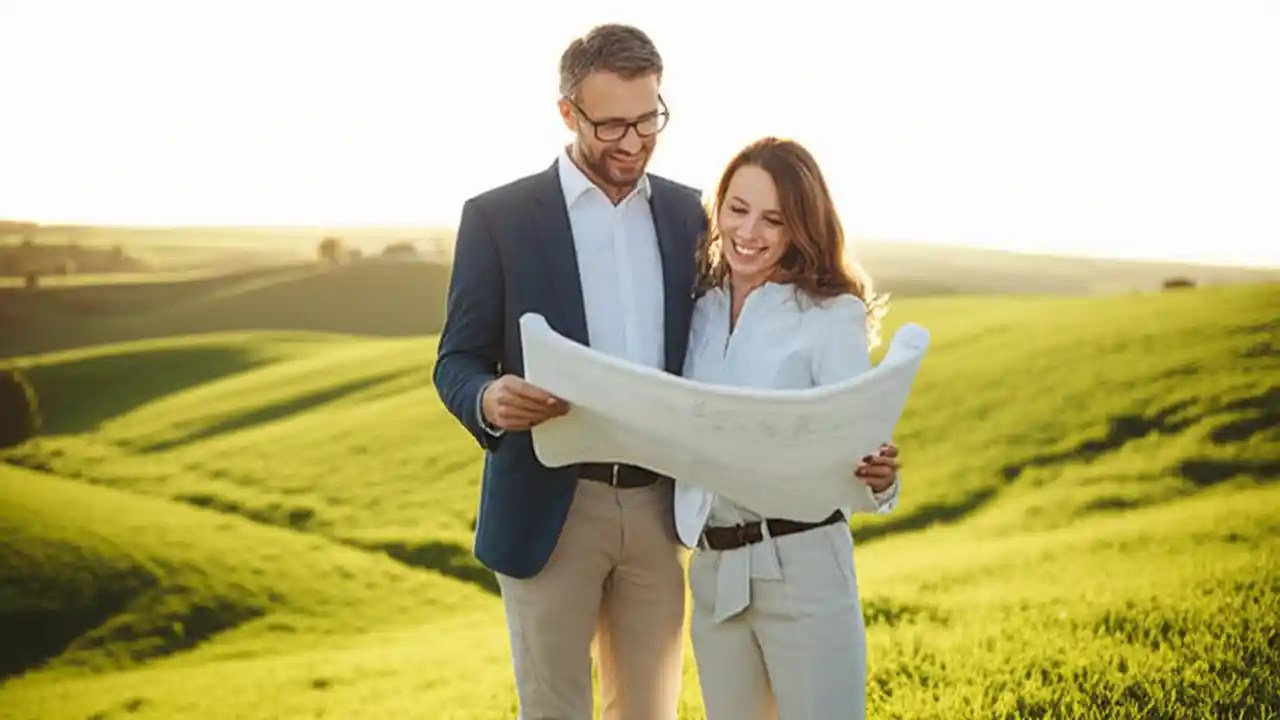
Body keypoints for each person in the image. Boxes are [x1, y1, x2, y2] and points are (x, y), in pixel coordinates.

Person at [432, 23, 707, 720]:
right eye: (611, 124)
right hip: (549, 508)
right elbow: (456, 360)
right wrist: (490, 398)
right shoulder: (498, 218)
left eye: (649, 118)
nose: (634, 140)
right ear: (567, 114)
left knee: (649, 713)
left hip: (657, 509)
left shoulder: (689, 213)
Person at [671, 137, 903, 720]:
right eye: (738, 209)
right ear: (718, 209)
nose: (750, 231)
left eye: (774, 219)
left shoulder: (829, 315)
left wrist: (880, 477)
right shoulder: (696, 307)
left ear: (801, 226)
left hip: (801, 561)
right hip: (714, 565)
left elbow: (858, 442)